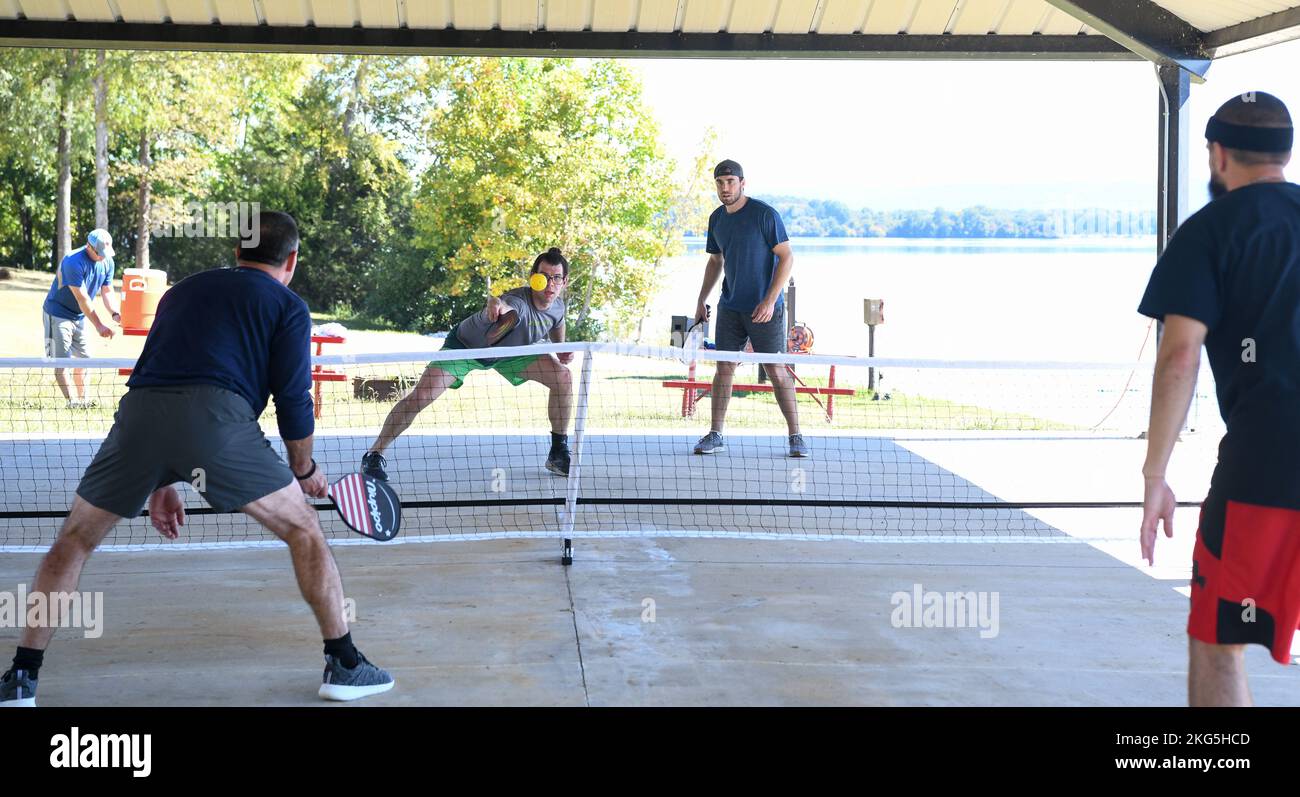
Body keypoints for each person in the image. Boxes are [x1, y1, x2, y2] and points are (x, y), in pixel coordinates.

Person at [0, 211, 393, 706]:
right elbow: (293, 400)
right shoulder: (288, 306)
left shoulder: (180, 293)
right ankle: (345, 664)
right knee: (304, 530)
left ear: (237, 252)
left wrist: (161, 477)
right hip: (218, 419)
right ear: (292, 259)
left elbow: (159, 374)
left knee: (74, 540)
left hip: (139, 415)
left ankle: (20, 678)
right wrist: (304, 469)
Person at [1138, 92, 1300, 706]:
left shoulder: (1209, 231)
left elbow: (1180, 356)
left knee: (1221, 636)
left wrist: (1156, 474)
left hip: (1268, 470)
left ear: (1217, 153)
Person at [361, 247, 574, 479]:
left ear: (564, 281)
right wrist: (496, 305)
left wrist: (560, 348)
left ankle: (558, 453)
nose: (549, 285)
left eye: (556, 278)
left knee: (563, 376)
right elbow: (505, 305)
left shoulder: (558, 306)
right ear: (533, 277)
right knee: (421, 397)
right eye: (544, 277)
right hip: (465, 348)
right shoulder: (519, 302)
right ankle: (374, 454)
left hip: (510, 353)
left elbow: (557, 322)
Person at [691, 160, 806, 457]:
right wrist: (702, 298)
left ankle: (796, 436)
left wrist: (769, 300)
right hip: (730, 307)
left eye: (730, 181)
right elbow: (715, 261)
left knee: (776, 369)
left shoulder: (764, 215)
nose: (725, 187)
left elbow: (787, 257)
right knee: (724, 368)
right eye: (720, 182)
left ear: (743, 183)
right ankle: (716, 434)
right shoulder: (717, 219)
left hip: (765, 308)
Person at [42, 229, 120, 408]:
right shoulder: (72, 261)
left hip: (79, 316)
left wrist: (115, 313)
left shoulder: (107, 261)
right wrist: (99, 326)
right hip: (58, 313)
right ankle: (72, 403)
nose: (103, 258)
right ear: (89, 247)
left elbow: (106, 290)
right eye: (99, 254)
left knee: (85, 359)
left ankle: (83, 401)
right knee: (62, 362)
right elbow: (83, 298)